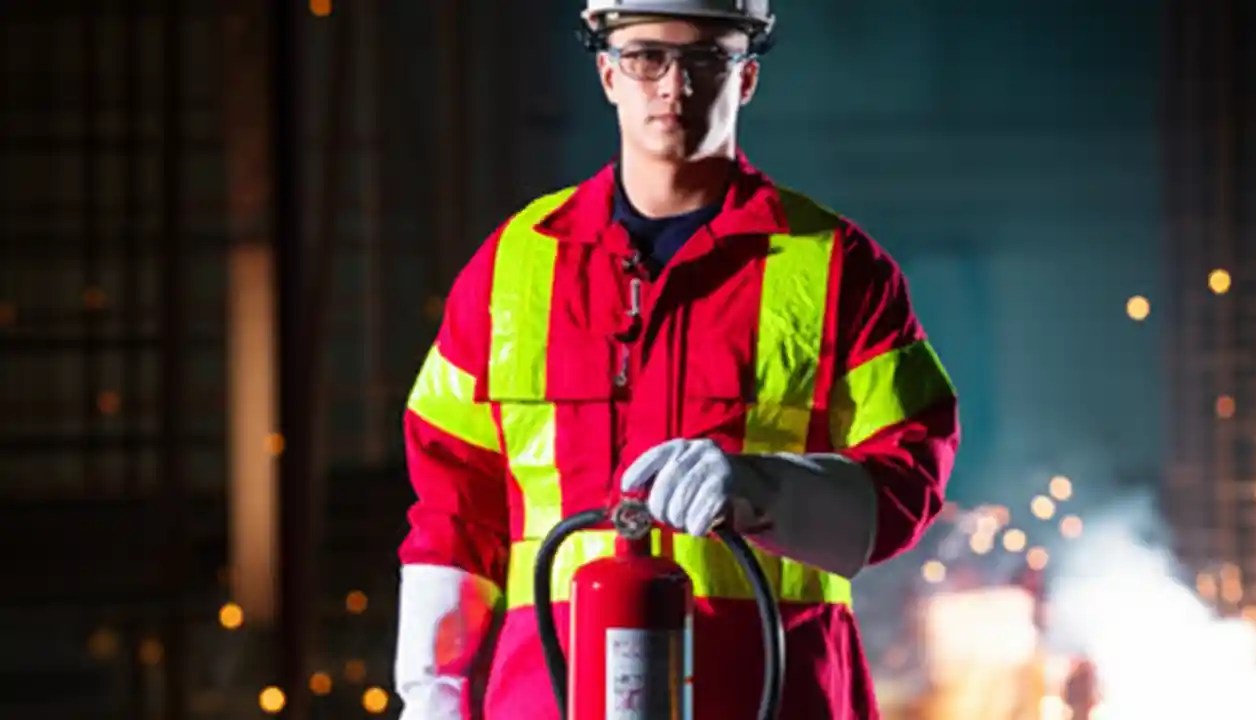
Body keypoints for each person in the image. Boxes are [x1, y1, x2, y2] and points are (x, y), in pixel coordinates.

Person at [393, 1, 960, 718]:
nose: (674, 86)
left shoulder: (840, 268)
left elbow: (912, 470)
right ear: (607, 72)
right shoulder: (511, 270)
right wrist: (432, 698)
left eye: (706, 60)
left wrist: (766, 489)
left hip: (771, 695)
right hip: (548, 698)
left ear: (747, 76)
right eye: (645, 57)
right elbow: (452, 507)